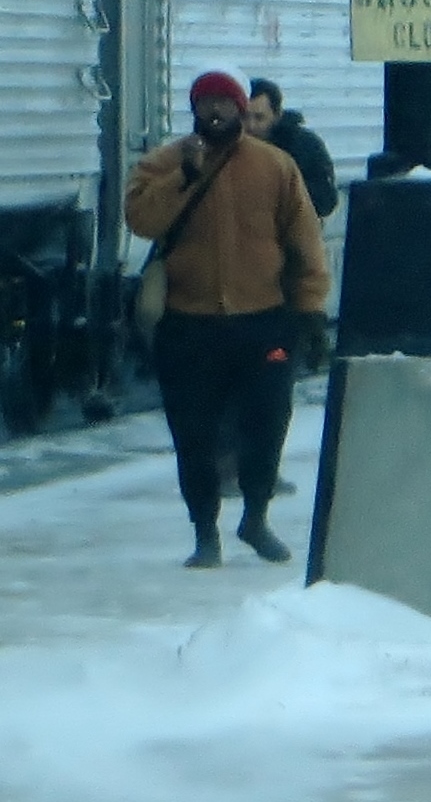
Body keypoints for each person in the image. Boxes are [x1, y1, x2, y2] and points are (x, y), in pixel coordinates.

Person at [123, 70, 330, 569]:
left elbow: (306, 244)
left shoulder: (275, 166)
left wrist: (311, 311)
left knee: (267, 421)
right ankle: (204, 532)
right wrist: (185, 178)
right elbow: (141, 220)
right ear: (193, 110)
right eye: (205, 104)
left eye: (225, 104)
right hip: (189, 326)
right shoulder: (164, 164)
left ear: (241, 110)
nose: (215, 113)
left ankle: (256, 515)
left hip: (263, 322)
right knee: (193, 433)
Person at [245, 79, 342, 221]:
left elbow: (326, 200)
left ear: (277, 115)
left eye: (259, 118)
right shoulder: (229, 145)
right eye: (244, 117)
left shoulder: (304, 145)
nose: (250, 126)